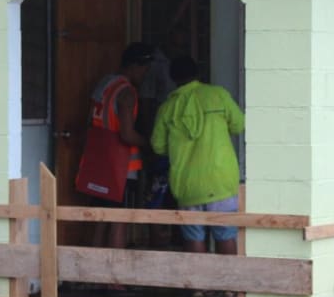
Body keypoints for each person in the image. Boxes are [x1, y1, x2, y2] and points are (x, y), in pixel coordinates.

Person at [150, 55, 244, 254]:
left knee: (193, 238)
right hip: (221, 182)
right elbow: (239, 125)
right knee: (226, 235)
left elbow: (158, 146)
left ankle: (200, 286)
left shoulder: (167, 108)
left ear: (172, 78)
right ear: (197, 74)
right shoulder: (218, 95)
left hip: (186, 185)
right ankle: (228, 284)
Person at [86, 42, 153, 248]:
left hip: (98, 161)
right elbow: (127, 134)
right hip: (122, 167)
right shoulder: (127, 92)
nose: (144, 75)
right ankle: (115, 278)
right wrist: (149, 144)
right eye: (143, 70)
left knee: (100, 219)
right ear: (134, 66)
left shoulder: (104, 84)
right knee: (119, 219)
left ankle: (94, 273)